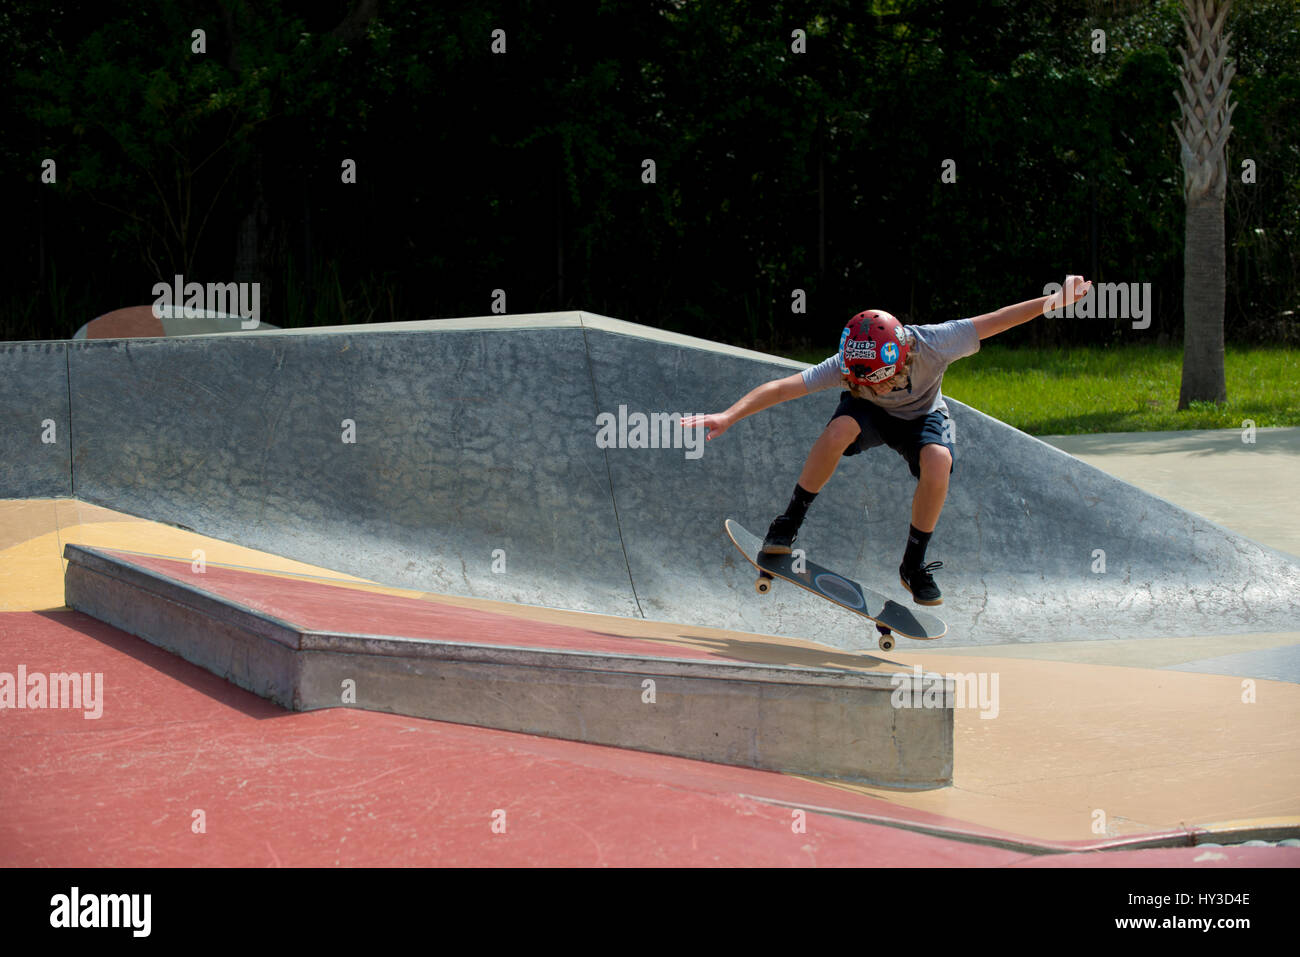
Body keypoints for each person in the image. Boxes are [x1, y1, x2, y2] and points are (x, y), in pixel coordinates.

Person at [683, 276, 1092, 605]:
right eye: (867, 382)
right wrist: (729, 415)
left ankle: (913, 565)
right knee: (839, 429)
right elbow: (782, 388)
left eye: (885, 380)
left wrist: (1055, 300)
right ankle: (788, 522)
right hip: (872, 420)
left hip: (925, 416)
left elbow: (998, 318)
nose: (881, 388)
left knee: (937, 462)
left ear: (903, 356)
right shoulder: (848, 364)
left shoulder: (937, 341)